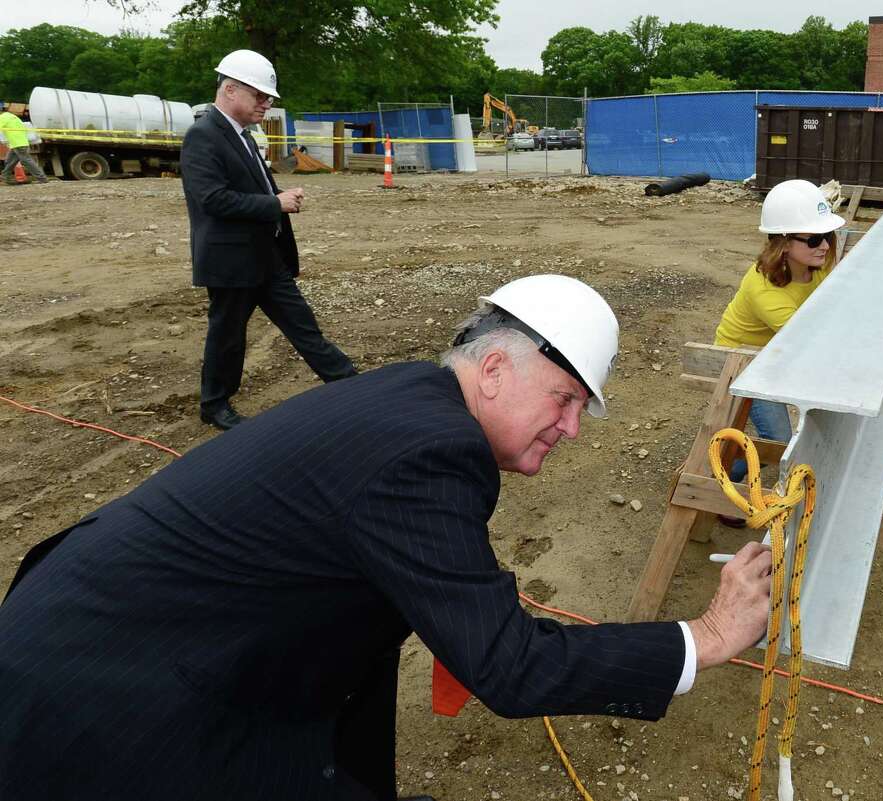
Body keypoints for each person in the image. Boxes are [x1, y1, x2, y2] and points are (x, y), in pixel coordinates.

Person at [0, 274, 774, 801]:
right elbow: (509, 665)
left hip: (119, 630)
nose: (573, 428)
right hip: (101, 693)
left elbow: (358, 638)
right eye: (567, 399)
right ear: (496, 367)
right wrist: (705, 635)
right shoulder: (431, 455)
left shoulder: (413, 396)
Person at [182, 49, 356, 431]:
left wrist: (275, 201)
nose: (267, 103)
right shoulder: (203, 135)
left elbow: (250, 186)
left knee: (304, 326)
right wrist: (273, 203)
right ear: (229, 90)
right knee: (227, 336)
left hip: (264, 256)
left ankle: (350, 384)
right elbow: (211, 199)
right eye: (259, 96)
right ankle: (214, 405)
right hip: (231, 262)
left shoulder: (241, 135)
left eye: (269, 97)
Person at [713, 180, 845, 526]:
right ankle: (723, 484)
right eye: (815, 239)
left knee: (785, 436)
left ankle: (725, 478)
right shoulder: (765, 290)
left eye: (828, 237)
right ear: (784, 244)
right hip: (742, 362)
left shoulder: (814, 266)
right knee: (779, 439)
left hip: (773, 354)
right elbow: (808, 342)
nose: (825, 246)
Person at [0, 102, 48, 185]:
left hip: (18, 144)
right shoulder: (11, 116)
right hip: (18, 143)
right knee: (10, 161)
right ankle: (5, 177)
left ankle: (42, 178)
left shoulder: (3, 118)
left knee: (27, 161)